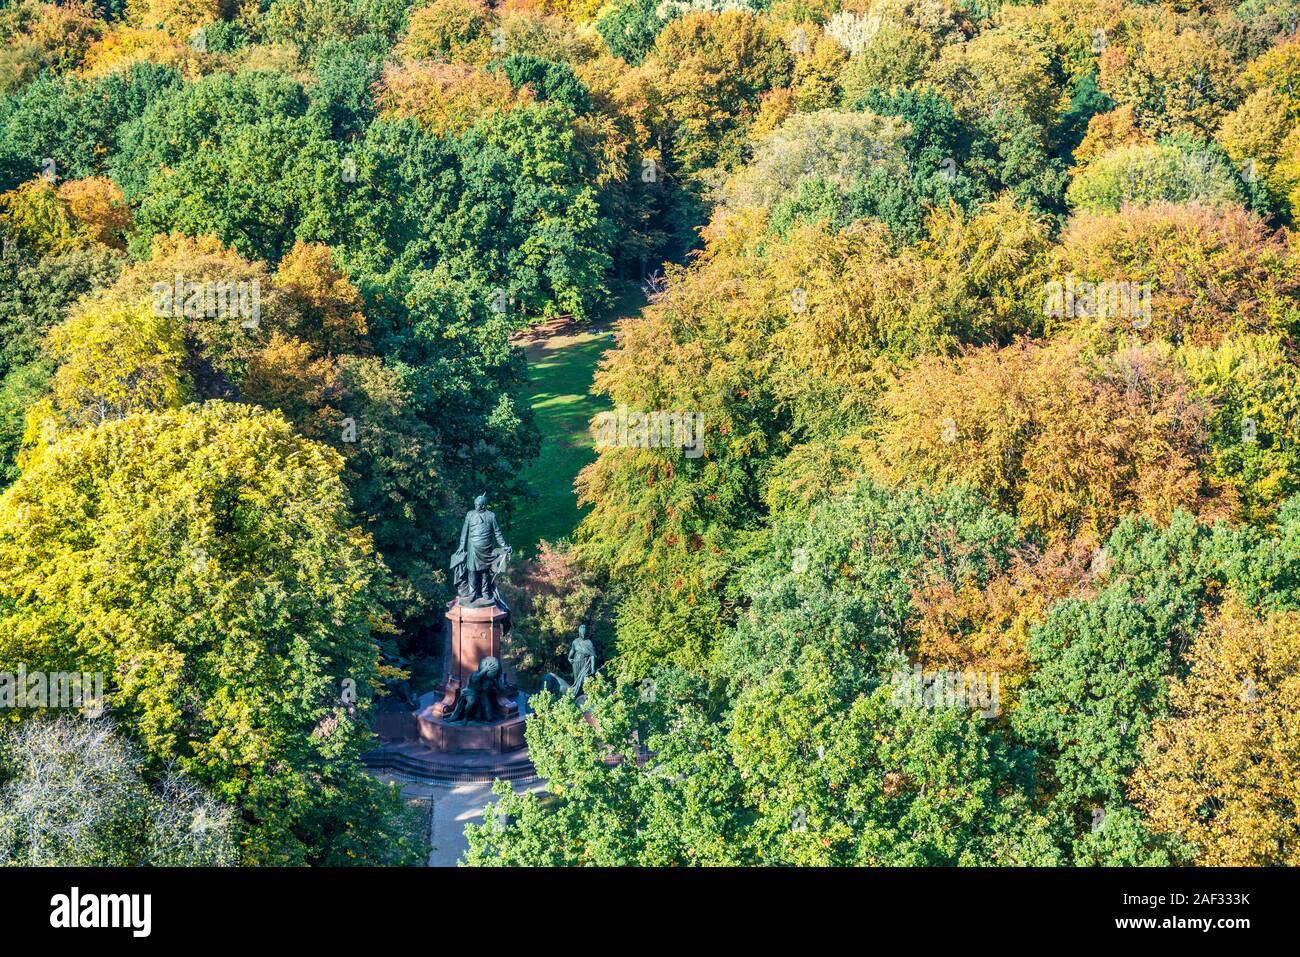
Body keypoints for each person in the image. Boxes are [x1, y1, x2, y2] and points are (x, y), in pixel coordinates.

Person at [450, 494, 511, 605]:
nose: (476, 506)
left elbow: (497, 533)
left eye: (478, 504)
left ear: (483, 505)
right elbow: (465, 531)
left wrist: (504, 546)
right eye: (475, 504)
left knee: (484, 571)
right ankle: (472, 594)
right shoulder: (470, 514)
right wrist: (461, 546)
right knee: (472, 571)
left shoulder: (491, 516)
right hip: (472, 547)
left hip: (486, 548)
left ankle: (485, 592)